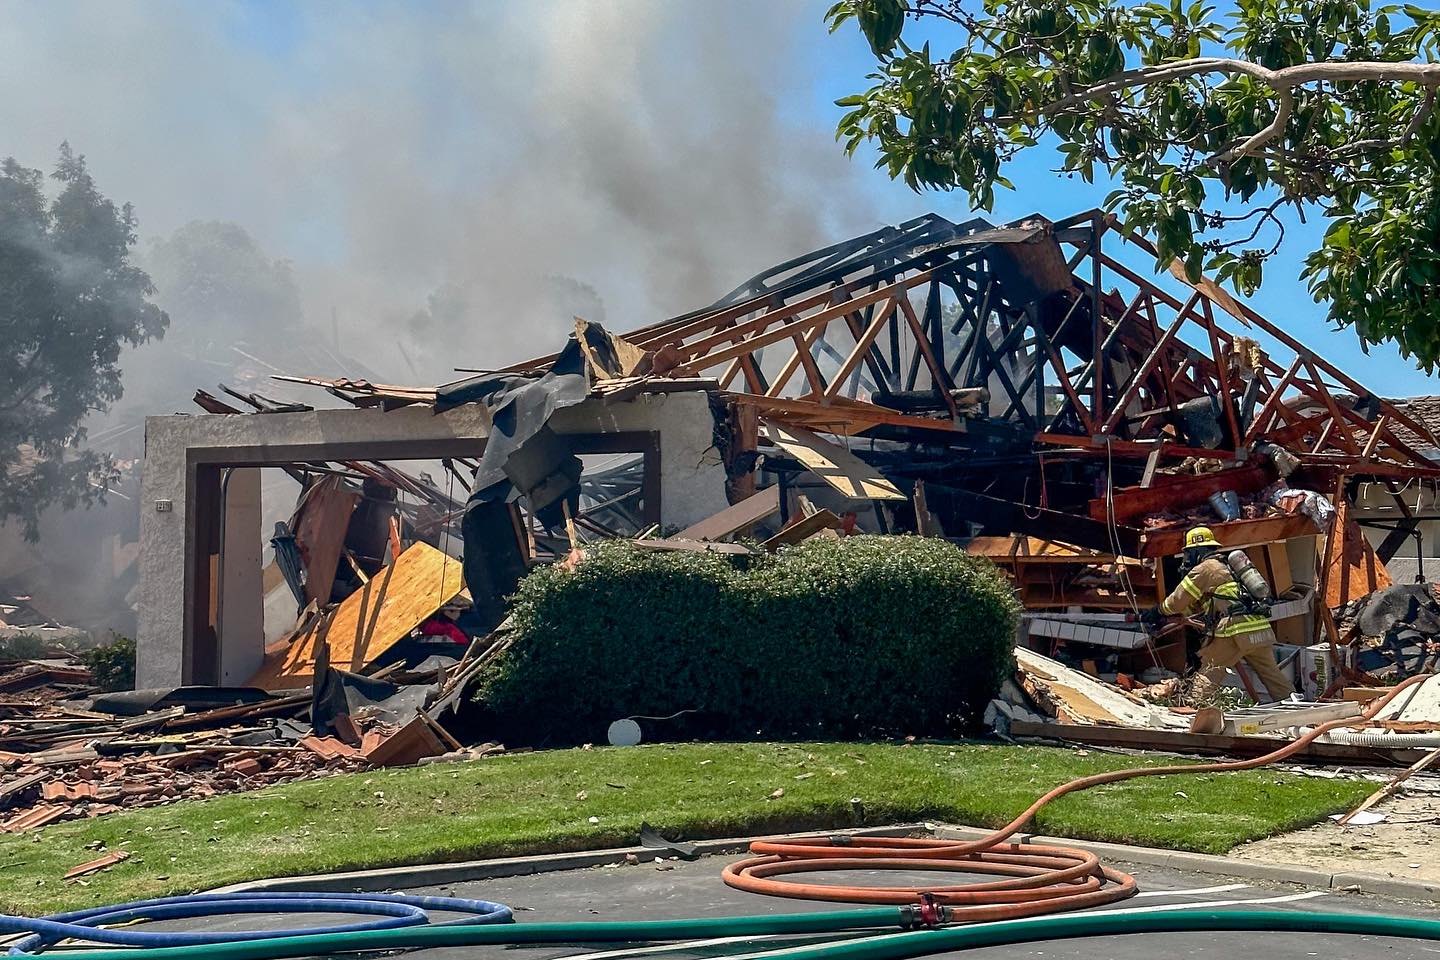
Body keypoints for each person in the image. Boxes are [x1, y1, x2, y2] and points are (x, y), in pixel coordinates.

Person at [1141, 525, 1295, 704]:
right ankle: (1297, 706)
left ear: (1197, 550)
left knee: (1209, 672)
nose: (1187, 558)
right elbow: (1202, 604)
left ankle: (1191, 710)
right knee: (1272, 676)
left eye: (1189, 553)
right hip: (1258, 628)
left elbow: (1178, 600)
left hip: (1234, 631)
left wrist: (1158, 611)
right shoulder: (1227, 567)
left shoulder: (1205, 569)